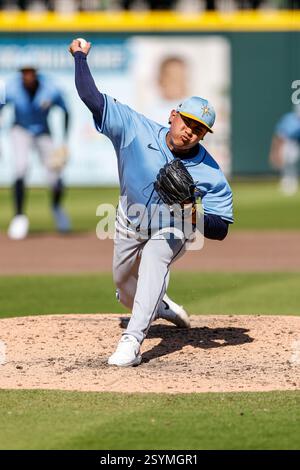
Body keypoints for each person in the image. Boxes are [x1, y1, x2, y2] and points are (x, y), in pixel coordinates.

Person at [69, 38, 233, 367]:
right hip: (128, 222)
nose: (191, 132)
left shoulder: (211, 172)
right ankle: (158, 305)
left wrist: (192, 210)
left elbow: (221, 228)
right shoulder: (134, 128)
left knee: (158, 252)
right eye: (188, 122)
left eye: (200, 130)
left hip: (172, 228)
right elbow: (92, 98)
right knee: (123, 287)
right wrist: (80, 58)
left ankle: (132, 342)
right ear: (173, 115)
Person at [0, 64, 71, 239]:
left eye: (30, 71)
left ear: (36, 73)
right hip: (20, 129)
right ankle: (19, 217)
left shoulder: (51, 88)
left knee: (55, 176)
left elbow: (66, 111)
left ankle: (57, 208)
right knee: (21, 169)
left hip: (43, 131)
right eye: (24, 72)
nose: (28, 75)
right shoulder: (11, 87)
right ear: (21, 74)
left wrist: (64, 141)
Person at [269, 108, 300, 195]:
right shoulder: (289, 119)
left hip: (295, 144)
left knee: (291, 162)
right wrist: (275, 152)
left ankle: (292, 182)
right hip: (287, 143)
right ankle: (287, 182)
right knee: (286, 163)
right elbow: (280, 136)